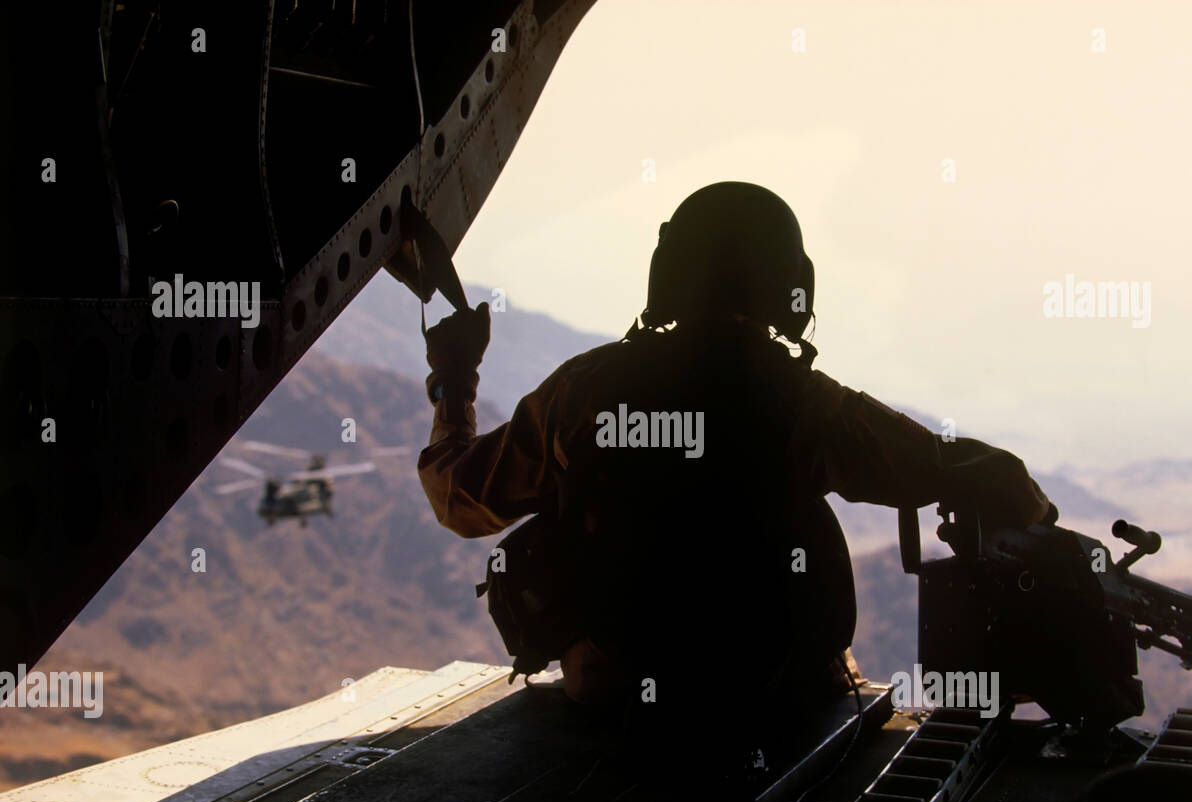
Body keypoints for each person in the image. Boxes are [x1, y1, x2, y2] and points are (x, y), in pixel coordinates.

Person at [417, 181, 1050, 727]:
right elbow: (975, 472)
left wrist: (454, 381)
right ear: (790, 286)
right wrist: (1035, 536)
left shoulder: (581, 393)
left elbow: (460, 501)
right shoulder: (808, 403)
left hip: (615, 698)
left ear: (668, 275)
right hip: (779, 699)